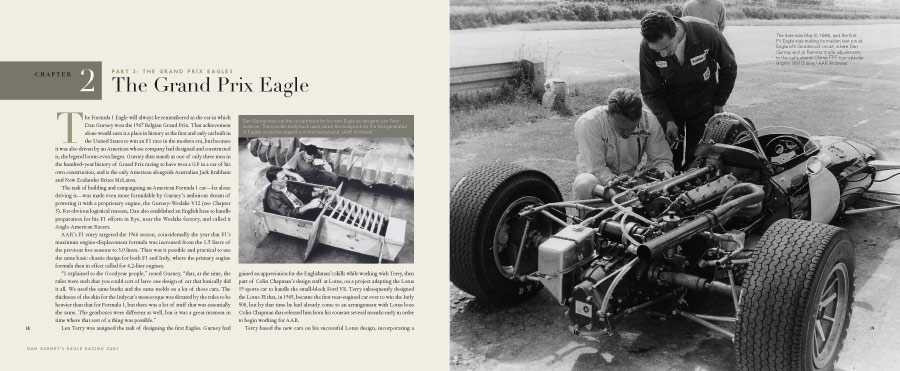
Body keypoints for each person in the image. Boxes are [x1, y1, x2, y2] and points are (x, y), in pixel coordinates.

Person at [639, 10, 737, 170]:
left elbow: (729, 66)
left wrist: (720, 101)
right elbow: (650, 91)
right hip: (671, 105)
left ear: (676, 31)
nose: (663, 54)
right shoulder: (647, 48)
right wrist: (667, 119)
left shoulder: (706, 32)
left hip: (703, 102)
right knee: (669, 159)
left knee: (698, 157)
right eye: (658, 51)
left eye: (666, 47)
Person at [572, 88, 675, 200]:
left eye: (632, 128)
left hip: (630, 182)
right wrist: (622, 189)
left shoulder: (649, 121)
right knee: (583, 183)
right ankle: (586, 216)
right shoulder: (589, 123)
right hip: (599, 183)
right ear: (608, 114)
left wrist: (663, 176)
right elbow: (596, 168)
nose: (627, 133)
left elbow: (662, 160)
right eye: (621, 128)